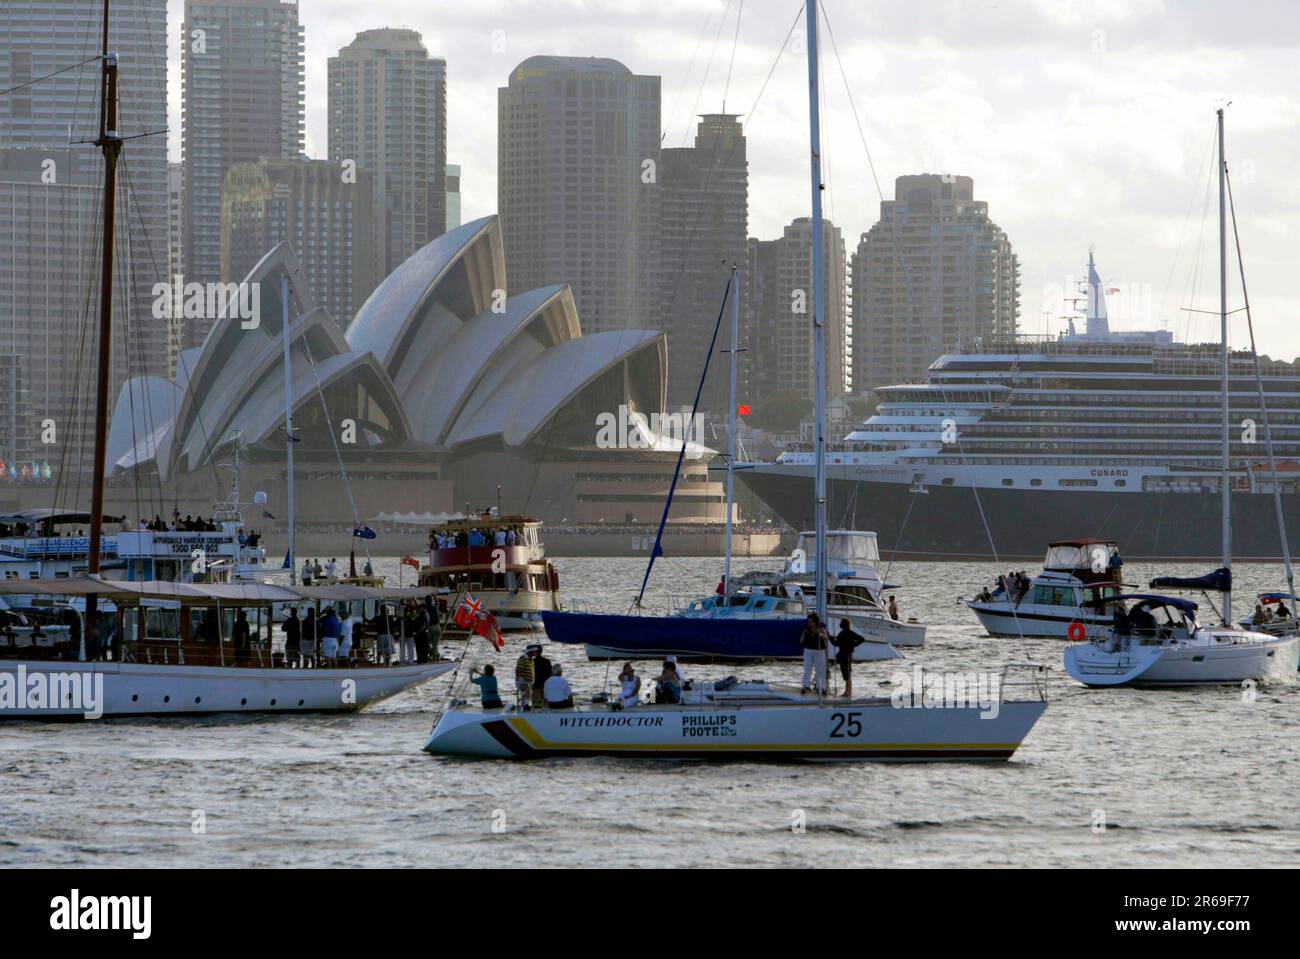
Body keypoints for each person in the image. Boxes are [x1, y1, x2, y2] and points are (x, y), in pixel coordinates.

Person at [834, 618, 864, 698]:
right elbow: (861, 639)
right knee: (848, 674)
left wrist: (829, 637)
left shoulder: (841, 634)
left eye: (841, 623)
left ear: (843, 625)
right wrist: (853, 645)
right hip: (849, 654)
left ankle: (847, 692)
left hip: (844, 655)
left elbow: (835, 644)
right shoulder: (851, 633)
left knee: (846, 674)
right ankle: (848, 691)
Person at [800, 612, 829, 695]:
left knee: (820, 670)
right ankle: (806, 686)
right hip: (808, 651)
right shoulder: (806, 630)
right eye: (808, 621)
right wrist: (804, 634)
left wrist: (819, 634)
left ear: (815, 622)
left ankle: (821, 687)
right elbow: (801, 640)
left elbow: (826, 638)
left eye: (811, 621)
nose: (809, 623)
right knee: (807, 669)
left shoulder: (821, 629)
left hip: (819, 651)